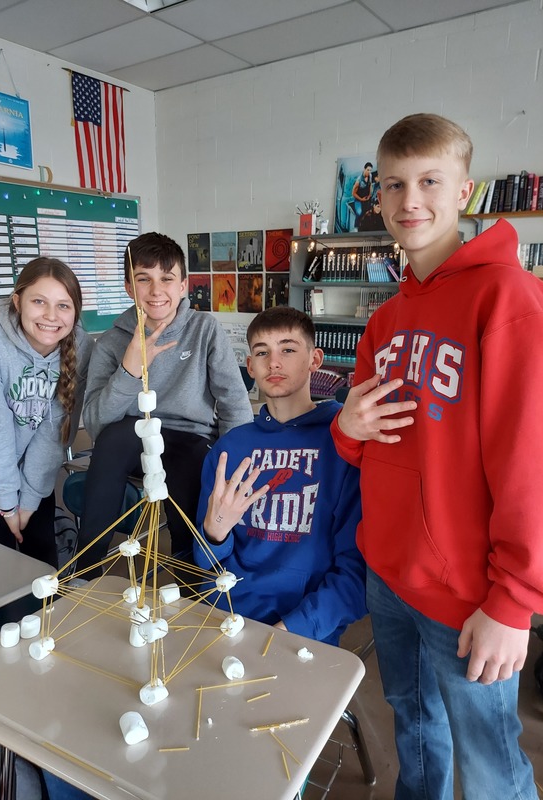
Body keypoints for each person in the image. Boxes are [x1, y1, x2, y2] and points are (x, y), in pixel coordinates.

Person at [331, 112, 542, 799]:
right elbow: (361, 447)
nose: (409, 201)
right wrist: (346, 429)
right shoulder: (387, 319)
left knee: (488, 763)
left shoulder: (507, 297)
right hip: (388, 577)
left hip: (467, 594)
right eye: (393, 185)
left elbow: (528, 462)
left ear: (464, 192)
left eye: (429, 181)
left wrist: (514, 602)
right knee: (414, 732)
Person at [77, 232, 252, 575]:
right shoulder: (112, 342)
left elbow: (233, 400)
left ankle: (191, 581)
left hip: (190, 438)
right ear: (130, 287)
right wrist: (129, 369)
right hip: (130, 441)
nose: (156, 291)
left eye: (167, 279)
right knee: (114, 438)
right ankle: (86, 569)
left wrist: (233, 466)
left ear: (184, 285)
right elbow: (97, 424)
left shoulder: (204, 329)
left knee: (189, 469)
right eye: (144, 279)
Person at [194, 306, 366, 645]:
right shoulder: (230, 449)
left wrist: (291, 631)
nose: (274, 362)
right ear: (250, 366)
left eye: (288, 349)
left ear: (315, 359)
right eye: (262, 352)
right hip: (229, 619)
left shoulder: (343, 445)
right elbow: (206, 566)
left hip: (305, 629)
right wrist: (214, 534)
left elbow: (356, 572)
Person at [0, 257, 92, 567]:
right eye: (39, 301)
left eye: (64, 305)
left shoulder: (80, 345)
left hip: (28, 457)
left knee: (42, 558)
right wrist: (9, 507)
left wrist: (28, 502)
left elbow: (54, 431)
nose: (51, 316)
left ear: (76, 311)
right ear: (17, 301)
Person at [351, 162, 373, 228]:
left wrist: (369, 195)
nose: (369, 172)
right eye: (368, 170)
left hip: (366, 197)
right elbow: (353, 193)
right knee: (359, 212)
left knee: (369, 212)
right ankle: (356, 227)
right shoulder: (359, 180)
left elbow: (370, 185)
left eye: (370, 170)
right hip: (358, 199)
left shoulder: (370, 176)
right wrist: (361, 199)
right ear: (364, 169)